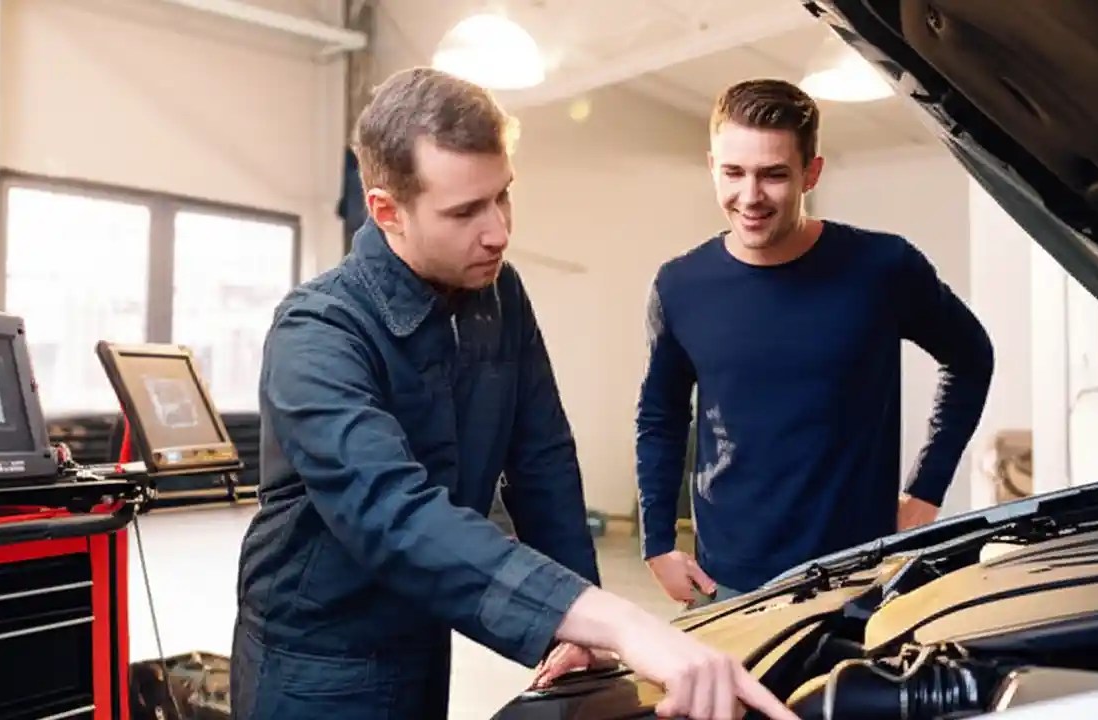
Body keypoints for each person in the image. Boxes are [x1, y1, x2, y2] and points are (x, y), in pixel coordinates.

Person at [228, 66, 799, 720]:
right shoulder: (317, 330)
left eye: (503, 195)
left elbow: (542, 463)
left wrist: (577, 626)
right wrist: (618, 621)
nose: (499, 230)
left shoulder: (499, 296)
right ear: (387, 210)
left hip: (423, 635)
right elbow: (390, 511)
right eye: (466, 211)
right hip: (316, 662)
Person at [636, 78, 995, 608]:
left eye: (774, 174)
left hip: (861, 580)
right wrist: (658, 542)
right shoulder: (679, 286)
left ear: (811, 173)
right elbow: (661, 416)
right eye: (734, 172)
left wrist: (926, 491)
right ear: (712, 165)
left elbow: (970, 358)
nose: (750, 196)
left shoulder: (883, 268)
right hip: (728, 584)